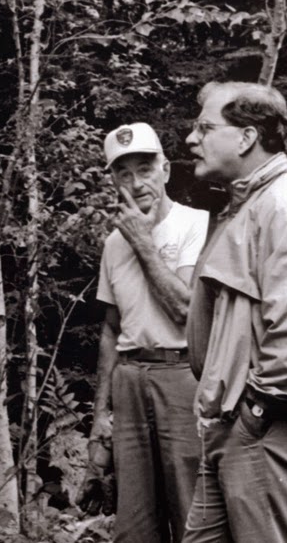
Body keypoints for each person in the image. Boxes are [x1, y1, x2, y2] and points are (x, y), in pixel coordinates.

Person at [181, 82, 287, 543]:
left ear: (247, 137)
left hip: (264, 426)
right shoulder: (247, 205)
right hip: (233, 425)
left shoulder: (285, 208)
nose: (192, 139)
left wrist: (256, 409)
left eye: (205, 127)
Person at [78, 123, 208, 543]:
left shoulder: (197, 225)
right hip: (129, 382)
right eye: (124, 173)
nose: (137, 182)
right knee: (133, 523)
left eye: (146, 168)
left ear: (166, 170)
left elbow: (186, 309)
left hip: (182, 375)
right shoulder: (114, 243)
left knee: (192, 509)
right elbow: (111, 329)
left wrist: (143, 243)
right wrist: (100, 414)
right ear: (114, 180)